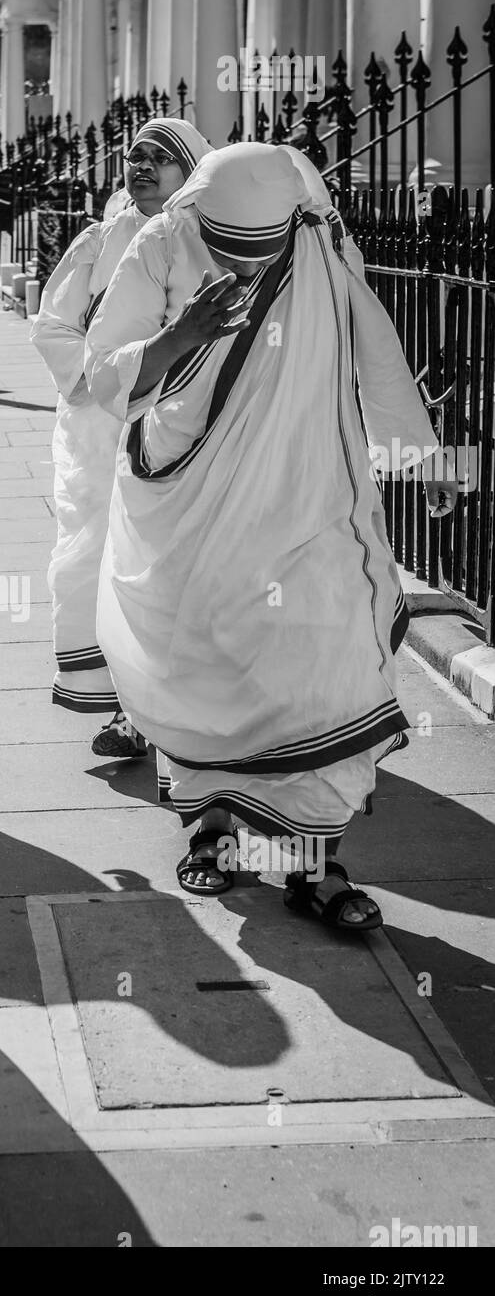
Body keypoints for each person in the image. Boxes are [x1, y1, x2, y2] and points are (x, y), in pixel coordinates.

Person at [85, 142, 459, 928]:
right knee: (204, 661)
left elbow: (376, 349)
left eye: (260, 250)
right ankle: (212, 830)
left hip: (309, 499)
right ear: (196, 215)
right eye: (227, 248)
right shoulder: (160, 243)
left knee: (318, 663)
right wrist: (181, 334)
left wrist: (420, 459)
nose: (245, 263)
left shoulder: (319, 244)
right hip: (192, 503)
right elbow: (101, 370)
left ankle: (310, 864)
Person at [31, 119, 212, 757]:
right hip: (96, 426)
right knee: (97, 560)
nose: (143, 165)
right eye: (136, 155)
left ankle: (169, 719)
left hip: (171, 427)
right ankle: (124, 706)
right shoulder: (100, 239)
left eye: (162, 157)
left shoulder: (204, 242)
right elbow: (52, 319)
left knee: (159, 570)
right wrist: (90, 375)